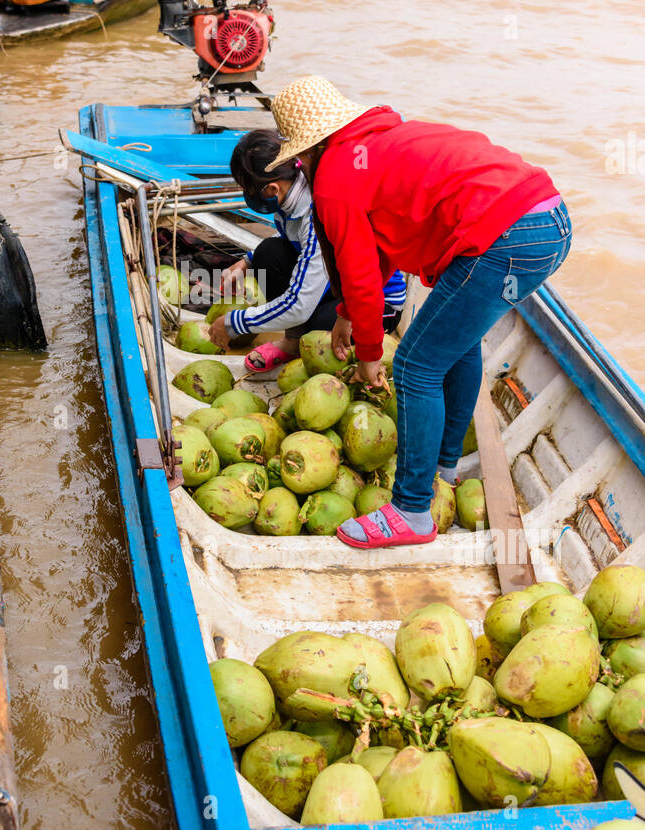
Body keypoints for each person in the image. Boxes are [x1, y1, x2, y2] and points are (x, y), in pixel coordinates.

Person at [265, 76, 571, 551]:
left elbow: (365, 276)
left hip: (504, 235)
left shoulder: (335, 180)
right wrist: (346, 312)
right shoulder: (378, 142)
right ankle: (444, 467)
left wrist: (369, 354)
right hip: (547, 219)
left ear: (307, 151)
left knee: (413, 366)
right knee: (457, 343)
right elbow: (377, 246)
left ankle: (411, 510)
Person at [207, 128, 405, 372]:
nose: (247, 195)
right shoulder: (290, 192)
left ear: (271, 189)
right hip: (339, 283)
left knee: (317, 325)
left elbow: (300, 305)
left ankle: (293, 342)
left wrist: (234, 323)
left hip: (377, 303)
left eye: (247, 189)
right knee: (267, 253)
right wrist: (247, 261)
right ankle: (294, 340)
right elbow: (291, 239)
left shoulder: (317, 212)